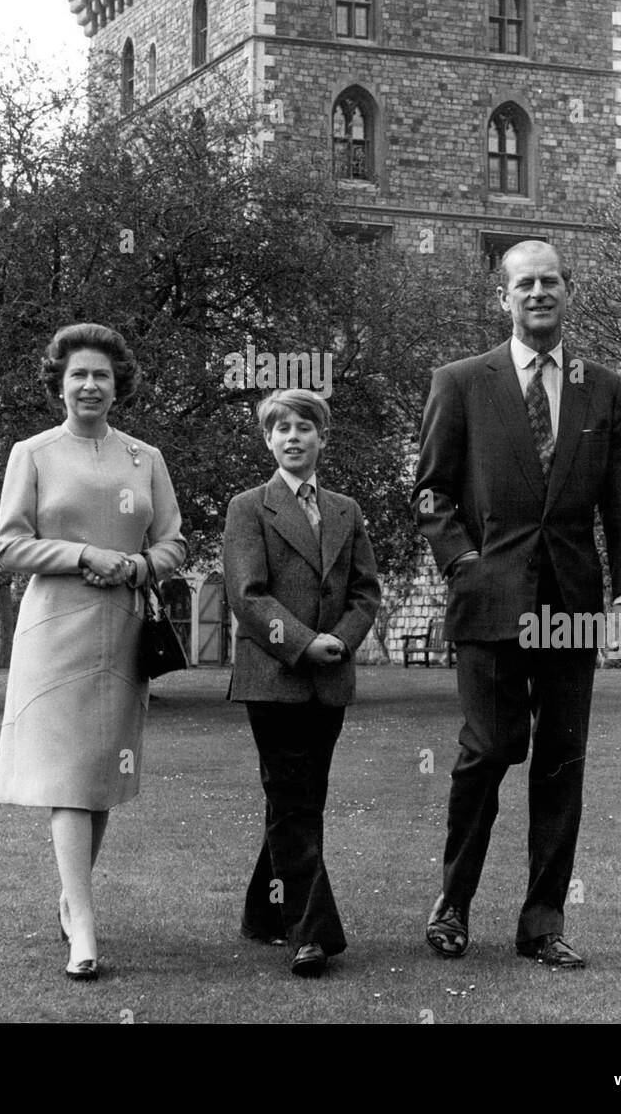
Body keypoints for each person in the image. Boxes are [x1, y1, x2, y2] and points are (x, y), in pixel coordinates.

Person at [411, 241, 621, 969]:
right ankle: (453, 903)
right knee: (489, 749)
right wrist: (466, 566)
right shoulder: (460, 382)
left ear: (567, 292)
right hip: (490, 604)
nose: (537, 293)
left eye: (549, 282)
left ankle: (542, 923)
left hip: (573, 604)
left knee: (560, 762)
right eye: (524, 284)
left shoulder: (603, 388)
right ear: (503, 298)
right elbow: (430, 494)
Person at [0, 323, 186, 980]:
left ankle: (71, 902)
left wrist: (135, 565)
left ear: (117, 384)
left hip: (125, 629)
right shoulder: (35, 453)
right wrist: (81, 554)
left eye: (101, 374)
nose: (90, 385)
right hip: (57, 629)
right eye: (78, 374)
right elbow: (11, 545)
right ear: (59, 382)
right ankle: (84, 921)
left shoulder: (145, 458)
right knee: (69, 779)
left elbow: (174, 544)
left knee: (99, 778)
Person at [223, 389, 381, 978]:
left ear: (322, 438)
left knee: (299, 797)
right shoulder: (248, 507)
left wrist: (341, 637)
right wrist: (302, 642)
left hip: (330, 678)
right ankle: (309, 931)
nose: (293, 437)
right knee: (293, 796)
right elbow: (247, 594)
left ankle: (261, 913)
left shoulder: (346, 508)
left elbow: (366, 590)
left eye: (304, 428)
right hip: (272, 678)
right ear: (268, 440)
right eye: (281, 428)